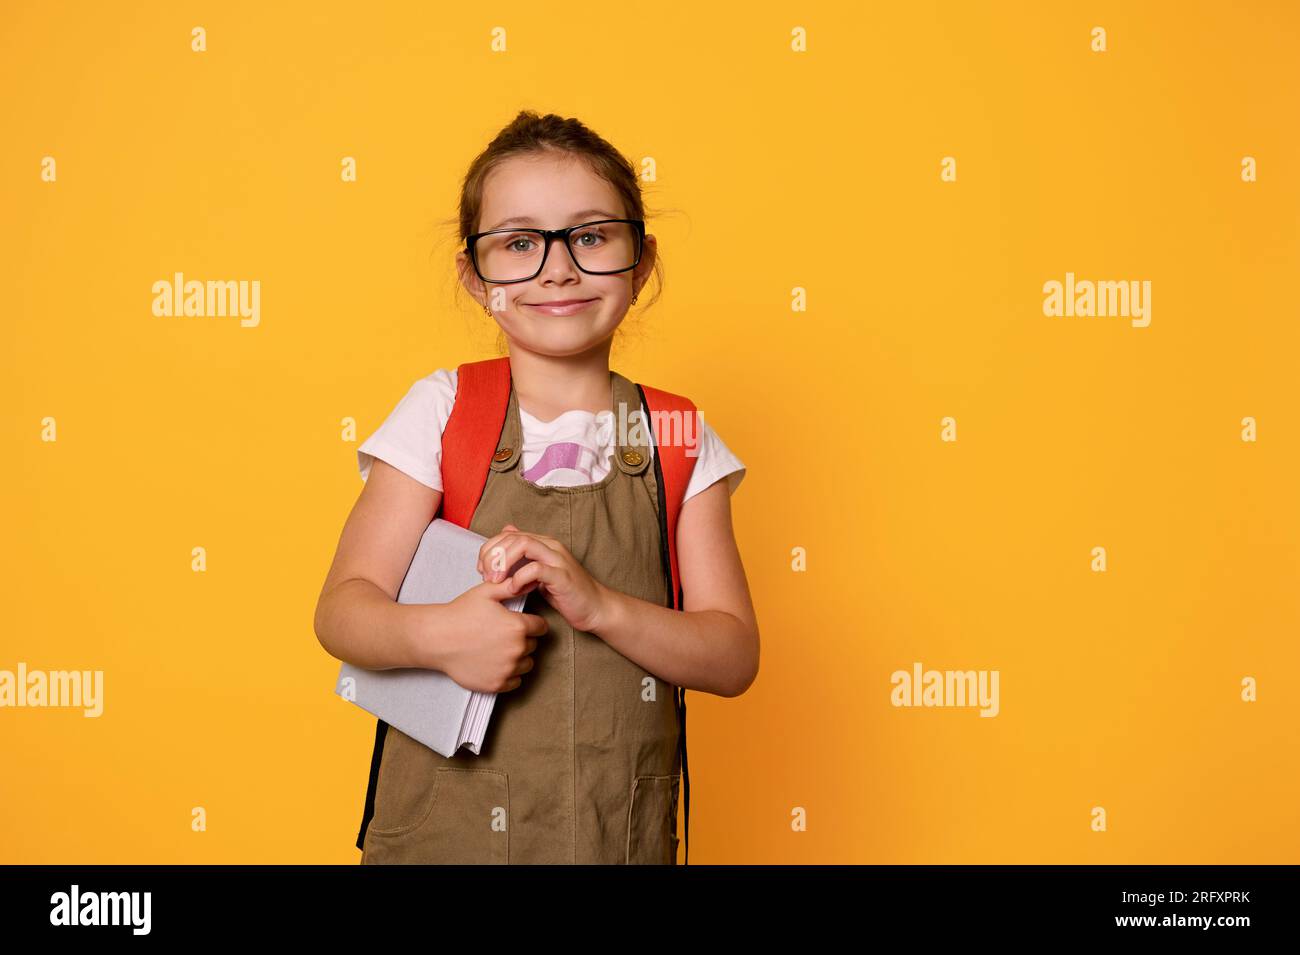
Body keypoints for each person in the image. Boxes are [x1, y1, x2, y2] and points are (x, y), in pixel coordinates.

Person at [314, 110, 760, 864]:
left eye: (590, 236)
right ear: (474, 274)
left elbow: (732, 654)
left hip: (612, 839)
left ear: (641, 260)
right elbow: (342, 611)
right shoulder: (443, 411)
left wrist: (602, 605)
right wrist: (442, 635)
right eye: (520, 243)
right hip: (444, 844)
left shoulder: (677, 434)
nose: (558, 268)